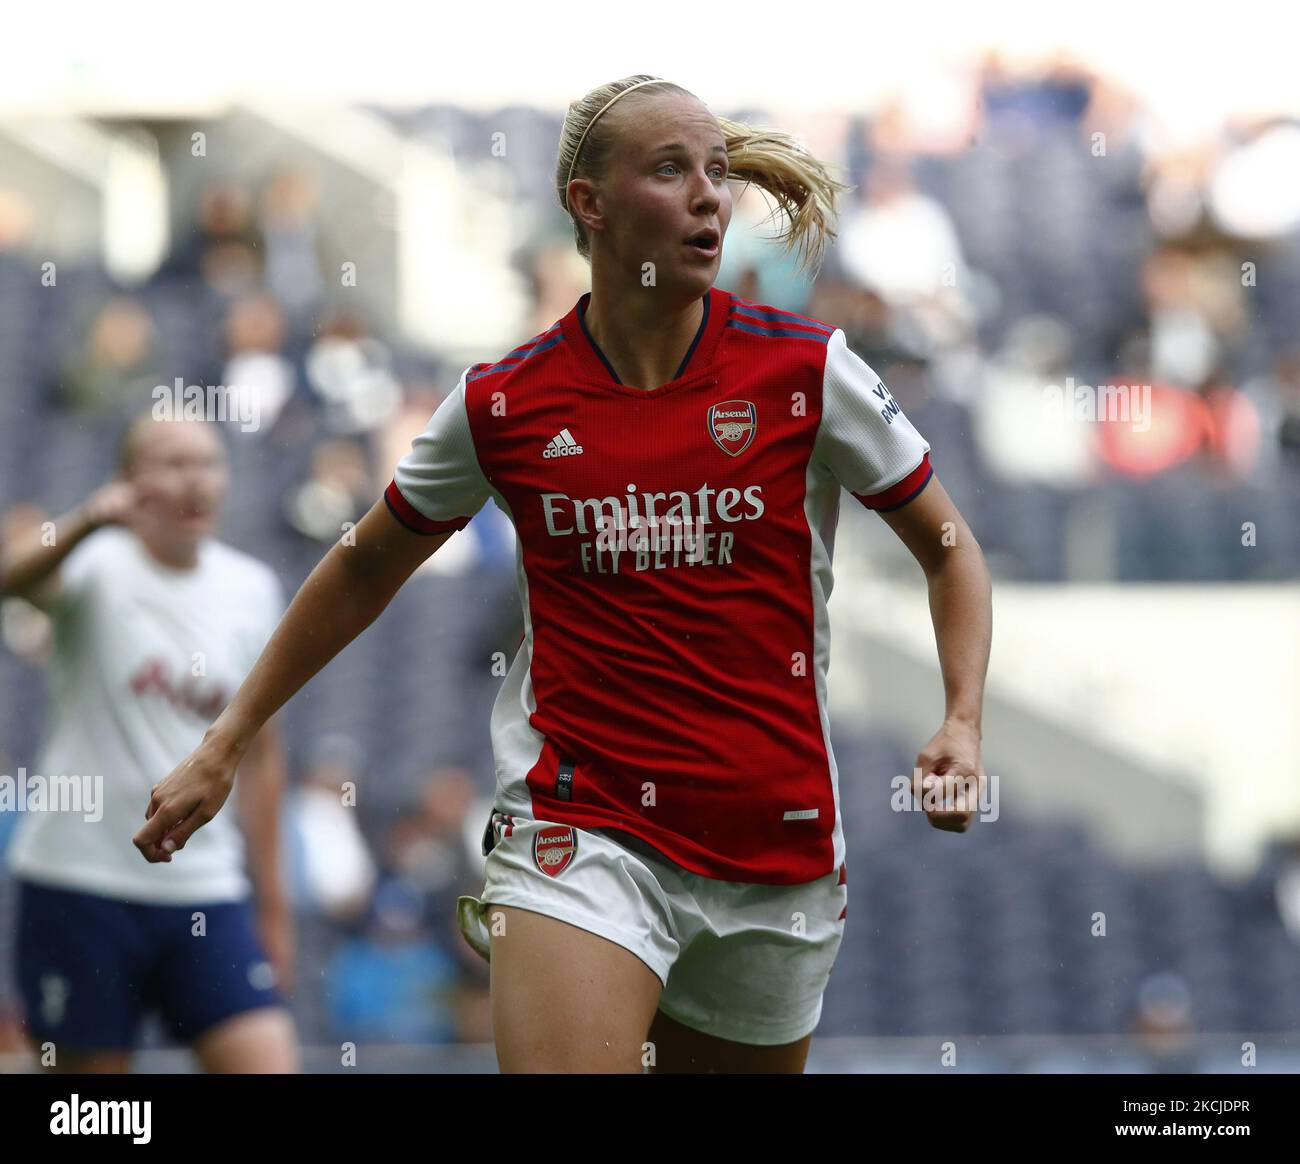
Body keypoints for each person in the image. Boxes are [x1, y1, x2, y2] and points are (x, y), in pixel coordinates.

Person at [134, 74, 992, 1074]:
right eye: (671, 171)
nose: (710, 195)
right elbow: (365, 566)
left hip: (775, 842)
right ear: (588, 203)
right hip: (579, 827)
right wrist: (228, 737)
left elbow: (948, 548)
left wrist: (962, 716)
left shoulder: (806, 369)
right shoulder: (506, 402)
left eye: (717, 172)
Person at [0, 414, 298, 1072]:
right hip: (80, 882)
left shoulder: (252, 589)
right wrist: (84, 522)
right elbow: (9, 579)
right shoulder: (94, 566)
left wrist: (274, 904)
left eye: (208, 462)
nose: (195, 479)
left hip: (205, 887)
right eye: (172, 463)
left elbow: (264, 755)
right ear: (128, 481)